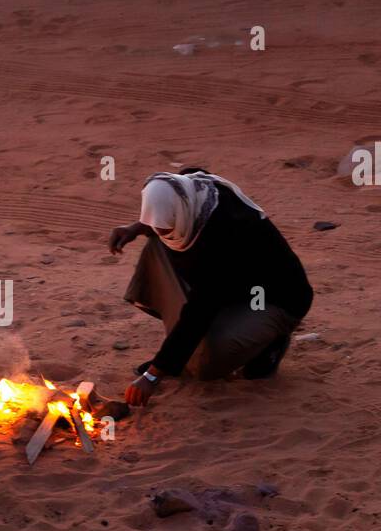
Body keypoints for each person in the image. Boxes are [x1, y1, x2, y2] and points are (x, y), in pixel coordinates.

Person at [108, 167, 313, 406]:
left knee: (206, 365)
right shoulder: (191, 187)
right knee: (159, 244)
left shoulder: (227, 232)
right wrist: (137, 228)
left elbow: (200, 310)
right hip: (232, 286)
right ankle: (176, 357)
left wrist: (154, 374)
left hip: (273, 297)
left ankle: (270, 342)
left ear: (181, 207)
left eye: (163, 223)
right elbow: (167, 212)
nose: (159, 230)